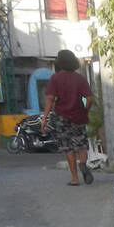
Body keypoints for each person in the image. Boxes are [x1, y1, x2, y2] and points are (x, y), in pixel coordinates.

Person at [42, 49, 93, 185]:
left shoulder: (55, 78)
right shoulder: (80, 78)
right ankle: (83, 163)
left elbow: (50, 99)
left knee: (68, 147)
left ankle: (75, 179)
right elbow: (89, 98)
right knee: (81, 144)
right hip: (78, 116)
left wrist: (44, 118)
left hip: (61, 117)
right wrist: (85, 110)